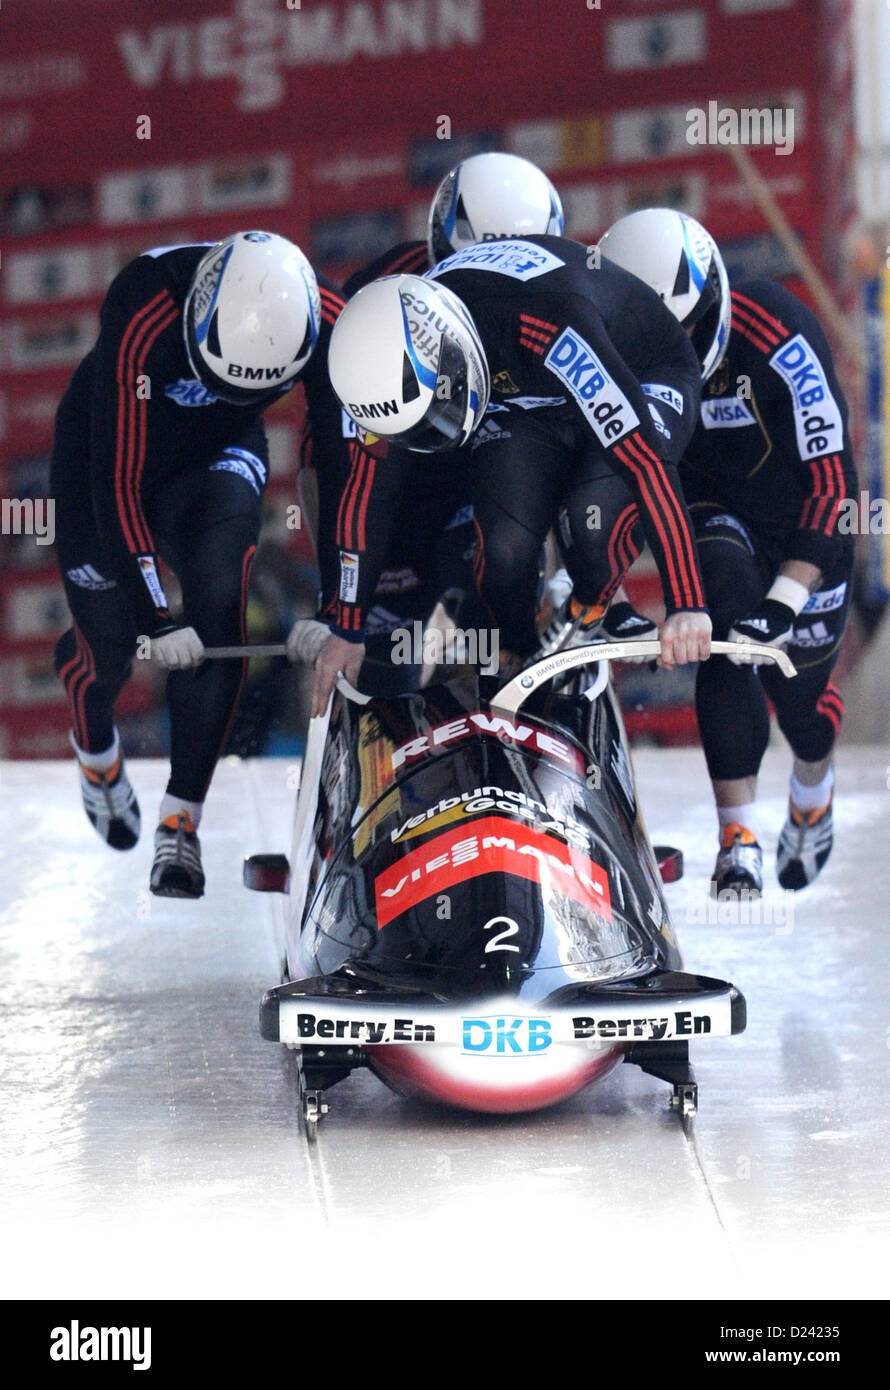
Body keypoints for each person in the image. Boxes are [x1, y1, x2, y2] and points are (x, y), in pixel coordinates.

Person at [51, 231, 343, 897]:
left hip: (219, 451)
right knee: (109, 648)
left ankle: (180, 822)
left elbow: (335, 464)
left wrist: (341, 607)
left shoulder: (330, 318)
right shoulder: (144, 301)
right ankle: (96, 753)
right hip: (109, 454)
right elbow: (119, 482)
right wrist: (156, 616)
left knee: (221, 611)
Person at [315, 233, 711, 717]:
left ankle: (587, 603)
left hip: (640, 372)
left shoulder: (547, 325)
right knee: (504, 550)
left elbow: (645, 462)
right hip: (523, 395)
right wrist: (346, 627)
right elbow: (364, 497)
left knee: (594, 523)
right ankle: (518, 656)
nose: (433, 431)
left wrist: (687, 601)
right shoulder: (380, 375)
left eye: (437, 411)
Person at [596, 208, 857, 894]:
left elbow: (834, 482)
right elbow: (586, 488)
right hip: (705, 518)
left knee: (803, 707)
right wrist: (598, 593)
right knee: (719, 612)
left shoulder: (779, 331)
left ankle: (812, 783)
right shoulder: (599, 354)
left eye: (679, 329)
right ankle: (737, 837)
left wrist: (790, 596)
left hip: (801, 522)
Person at [293, 152, 565, 695]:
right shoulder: (375, 300)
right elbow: (333, 463)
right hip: (394, 468)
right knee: (385, 666)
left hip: (486, 469)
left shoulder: (568, 302)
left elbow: (577, 443)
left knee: (496, 583)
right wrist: (339, 605)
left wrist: (573, 573)